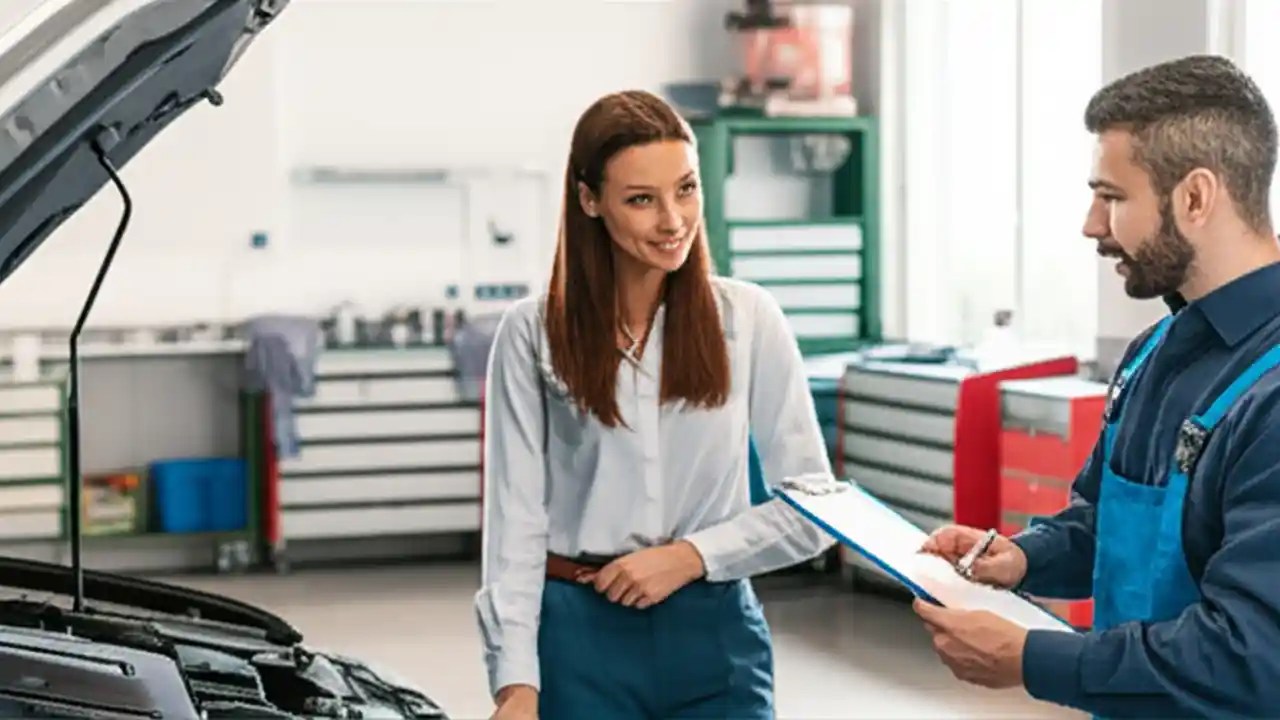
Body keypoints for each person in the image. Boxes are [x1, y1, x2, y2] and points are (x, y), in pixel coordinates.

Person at [914, 54, 1280, 718]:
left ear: (1195, 197)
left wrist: (1032, 659)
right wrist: (1017, 559)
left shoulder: (1272, 395)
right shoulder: (1154, 354)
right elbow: (1102, 522)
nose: (1092, 225)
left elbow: (1253, 654)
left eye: (1111, 198)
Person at [474, 89, 836, 720]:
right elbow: (515, 523)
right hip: (577, 636)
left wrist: (692, 556)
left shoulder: (748, 320)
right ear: (590, 201)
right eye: (642, 199)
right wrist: (516, 686)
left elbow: (812, 507)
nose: (673, 220)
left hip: (715, 632)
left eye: (686, 189)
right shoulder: (531, 334)